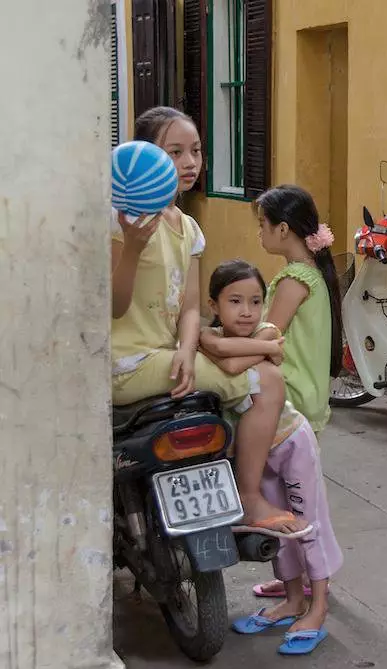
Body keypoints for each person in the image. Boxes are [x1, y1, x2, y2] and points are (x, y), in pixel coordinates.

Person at [111, 106, 305, 537]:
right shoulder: (122, 222)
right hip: (128, 364)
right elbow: (115, 306)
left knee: (261, 375)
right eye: (174, 152)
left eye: (195, 151)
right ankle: (250, 497)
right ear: (146, 157)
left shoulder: (188, 228)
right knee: (270, 383)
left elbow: (192, 308)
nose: (189, 162)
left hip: (170, 358)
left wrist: (185, 347)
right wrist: (131, 246)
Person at [203, 260, 343, 656]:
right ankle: (293, 600)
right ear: (214, 304)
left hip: (292, 444)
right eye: (234, 301)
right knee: (275, 526)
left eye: (255, 301)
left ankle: (319, 606)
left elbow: (228, 361)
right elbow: (220, 350)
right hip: (257, 453)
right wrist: (261, 352)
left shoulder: (268, 329)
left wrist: (235, 346)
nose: (246, 311)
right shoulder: (238, 338)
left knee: (308, 524)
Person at [247, 185, 345, 600]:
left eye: (262, 226)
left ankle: (302, 581)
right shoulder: (313, 273)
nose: (260, 234)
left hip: (290, 400)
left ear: (283, 228)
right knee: (297, 493)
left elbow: (266, 337)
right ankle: (299, 578)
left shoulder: (293, 279)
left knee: (286, 496)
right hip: (309, 396)